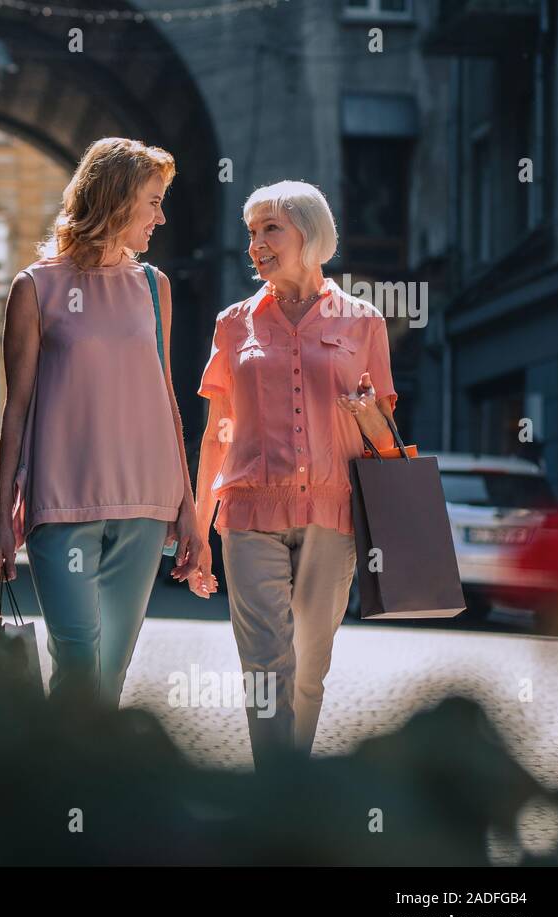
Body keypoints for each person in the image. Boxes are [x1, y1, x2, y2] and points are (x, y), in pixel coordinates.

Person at [188, 181, 398, 769]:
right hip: (250, 510)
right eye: (250, 233)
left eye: (270, 230)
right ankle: (273, 792)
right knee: (264, 663)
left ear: (310, 234)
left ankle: (291, 785)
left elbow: (385, 441)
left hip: (332, 515)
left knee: (308, 668)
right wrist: (198, 529)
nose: (255, 244)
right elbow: (216, 433)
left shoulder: (364, 322)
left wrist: (366, 414)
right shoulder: (234, 325)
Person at [0, 137, 201, 711]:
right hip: (60, 504)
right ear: (114, 200)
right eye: (153, 202)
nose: (161, 216)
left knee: (108, 672)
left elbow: (167, 398)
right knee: (79, 657)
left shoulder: (154, 289)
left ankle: (81, 794)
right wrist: (3, 519)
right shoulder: (35, 287)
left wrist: (189, 505)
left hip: (146, 505)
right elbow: (17, 408)